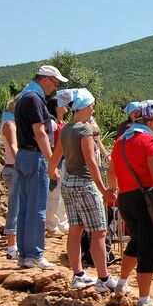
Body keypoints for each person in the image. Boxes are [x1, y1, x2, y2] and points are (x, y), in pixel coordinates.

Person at [47, 89, 117, 293]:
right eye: (92, 105)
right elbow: (92, 164)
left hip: (68, 183)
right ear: (85, 107)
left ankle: (78, 275)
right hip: (85, 184)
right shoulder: (84, 131)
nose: (94, 108)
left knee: (75, 230)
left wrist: (52, 172)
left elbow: (56, 155)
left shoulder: (67, 128)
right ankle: (103, 279)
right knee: (98, 232)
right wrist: (104, 190)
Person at [107, 100, 153, 306]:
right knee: (150, 248)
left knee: (135, 242)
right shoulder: (149, 141)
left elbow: (111, 171)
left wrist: (113, 191)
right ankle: (144, 300)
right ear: (152, 121)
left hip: (126, 199)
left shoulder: (120, 142)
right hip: (148, 201)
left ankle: (121, 284)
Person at [14, 65, 67, 270]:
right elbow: (40, 132)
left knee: (25, 207)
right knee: (37, 208)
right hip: (36, 156)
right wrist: (51, 160)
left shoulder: (23, 97)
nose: (54, 89)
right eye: (54, 83)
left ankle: (24, 254)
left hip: (23, 155)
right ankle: (35, 254)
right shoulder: (34, 99)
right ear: (45, 79)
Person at [45, 96, 70, 238]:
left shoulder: (62, 123)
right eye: (62, 104)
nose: (66, 106)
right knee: (53, 193)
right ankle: (51, 225)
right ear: (56, 107)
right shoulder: (52, 123)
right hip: (56, 160)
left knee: (60, 193)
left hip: (63, 160)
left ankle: (60, 222)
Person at [0, 102, 19, 260]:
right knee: (15, 208)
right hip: (15, 168)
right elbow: (14, 147)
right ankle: (11, 247)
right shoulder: (11, 124)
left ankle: (14, 245)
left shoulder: (7, 122)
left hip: (10, 167)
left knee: (16, 207)